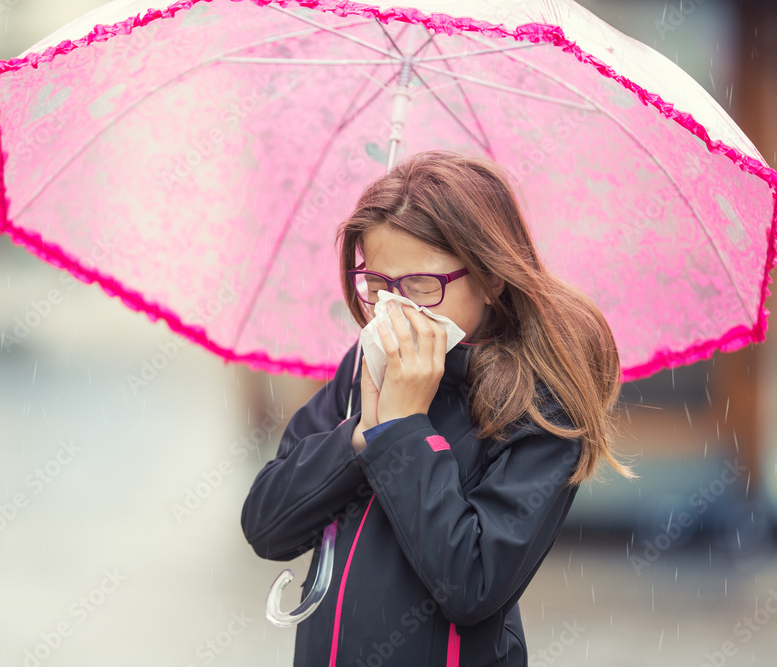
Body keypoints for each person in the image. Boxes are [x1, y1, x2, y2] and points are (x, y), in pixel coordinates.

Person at [241, 150, 637, 666]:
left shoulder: (540, 405)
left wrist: (404, 429)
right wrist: (360, 435)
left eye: (422, 287)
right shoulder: (365, 365)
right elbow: (267, 525)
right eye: (378, 285)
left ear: (491, 278)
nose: (396, 308)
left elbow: (471, 586)